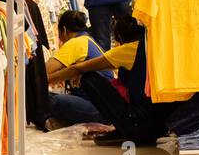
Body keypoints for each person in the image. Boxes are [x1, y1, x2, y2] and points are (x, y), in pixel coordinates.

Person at [52, 12, 157, 145]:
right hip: (159, 124)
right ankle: (123, 129)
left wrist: (41, 81)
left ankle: (125, 129)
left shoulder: (128, 50)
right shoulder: (154, 48)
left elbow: (75, 69)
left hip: (137, 123)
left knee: (88, 78)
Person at [42, 10, 112, 129]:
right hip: (105, 106)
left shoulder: (75, 43)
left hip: (98, 109)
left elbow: (43, 72)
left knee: (46, 99)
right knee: (49, 97)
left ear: (63, 30)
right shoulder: (89, 40)